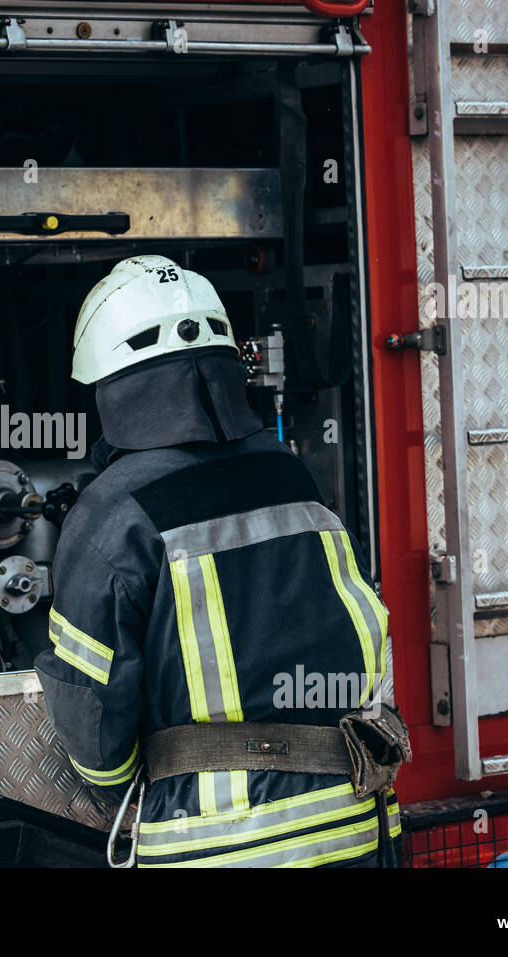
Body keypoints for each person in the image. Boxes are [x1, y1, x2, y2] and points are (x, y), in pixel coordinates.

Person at [34, 255, 408, 868]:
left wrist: (117, 785)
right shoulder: (293, 475)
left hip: (221, 846)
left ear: (112, 383)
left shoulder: (110, 513)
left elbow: (90, 705)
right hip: (354, 826)